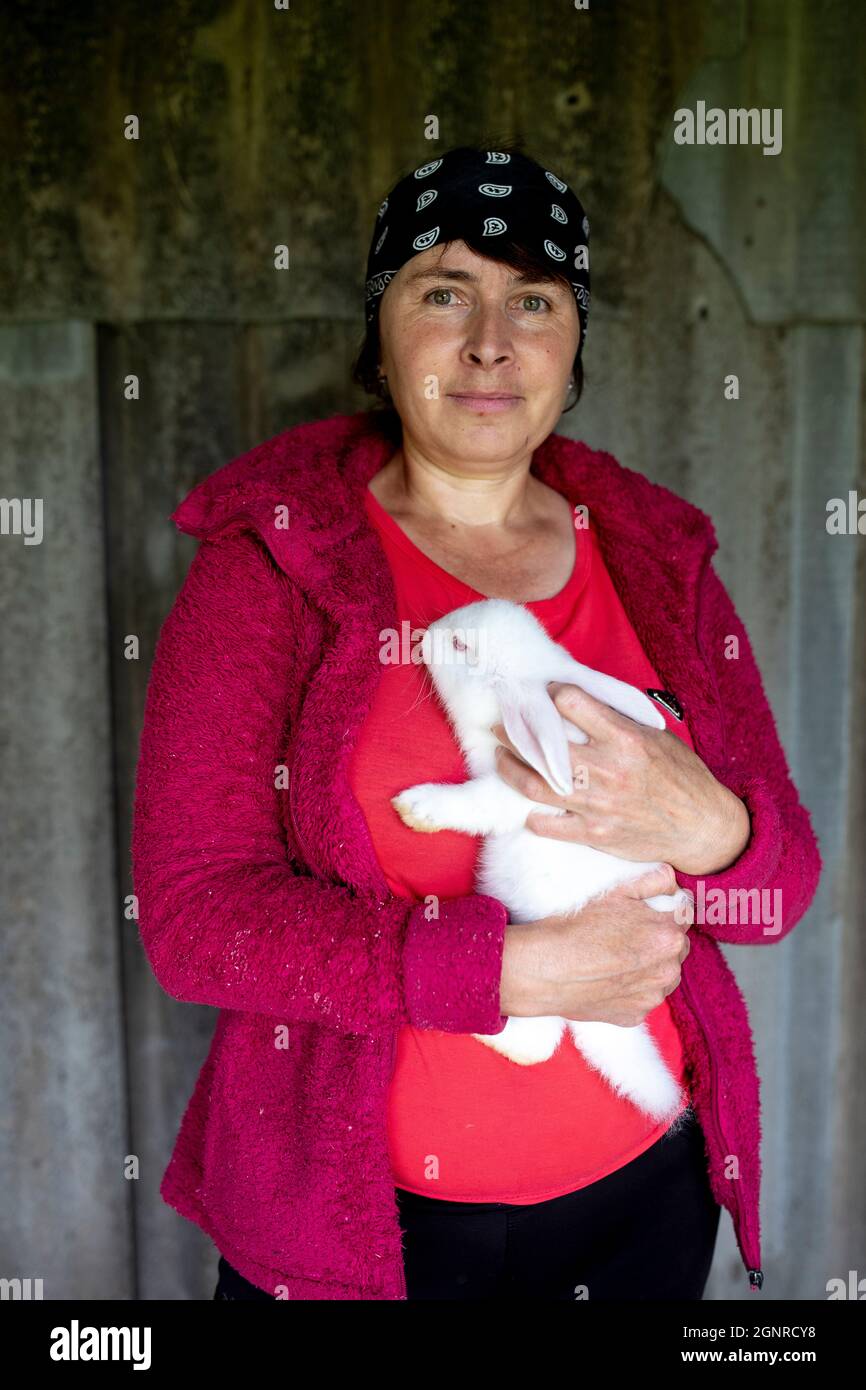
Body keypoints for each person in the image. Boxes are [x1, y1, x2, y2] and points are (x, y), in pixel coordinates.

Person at [132, 143, 822, 1301]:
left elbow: (780, 886)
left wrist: (705, 826)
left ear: (572, 344)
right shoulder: (274, 559)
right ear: (382, 334)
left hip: (642, 1199)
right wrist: (505, 972)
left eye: (533, 299)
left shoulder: (655, 555)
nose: (489, 340)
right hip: (364, 1236)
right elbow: (195, 919)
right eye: (443, 290)